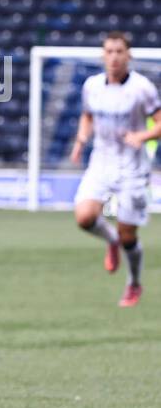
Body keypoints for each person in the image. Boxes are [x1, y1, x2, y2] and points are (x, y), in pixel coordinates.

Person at [70, 32, 161, 307]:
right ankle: (111, 242)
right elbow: (87, 116)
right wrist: (80, 140)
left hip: (132, 168)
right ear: (102, 55)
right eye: (109, 51)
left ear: (128, 55)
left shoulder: (142, 88)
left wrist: (142, 137)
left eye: (119, 51)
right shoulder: (92, 86)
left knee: (128, 234)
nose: (114, 57)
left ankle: (133, 284)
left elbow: (159, 122)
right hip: (101, 161)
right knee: (85, 217)